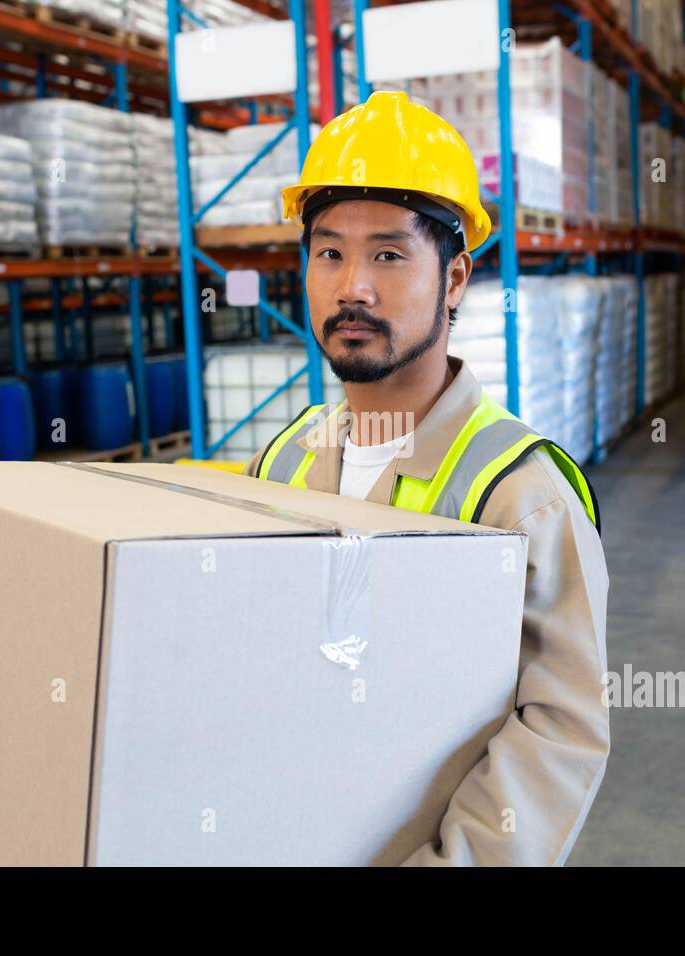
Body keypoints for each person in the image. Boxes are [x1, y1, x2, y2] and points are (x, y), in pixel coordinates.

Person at [241, 90, 609, 866]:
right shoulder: (285, 461)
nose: (353, 288)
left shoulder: (518, 491)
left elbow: (560, 730)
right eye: (329, 252)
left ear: (454, 278)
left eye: (388, 254)